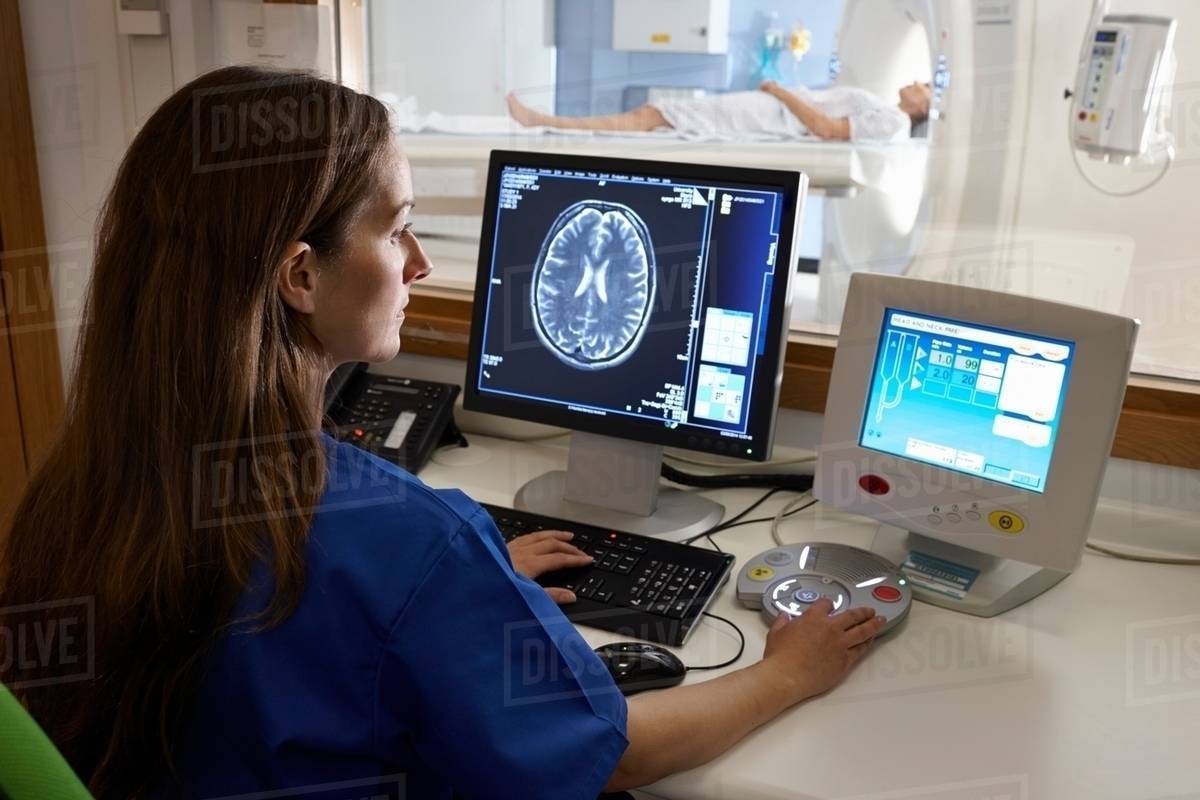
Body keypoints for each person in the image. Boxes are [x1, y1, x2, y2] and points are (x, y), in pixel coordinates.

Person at [0, 65, 885, 799]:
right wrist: (787, 673)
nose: (421, 264)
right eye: (398, 229)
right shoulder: (407, 542)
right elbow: (615, 754)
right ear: (301, 276)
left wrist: (462, 594)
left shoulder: (73, 493)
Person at [507, 80, 933, 143]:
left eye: (928, 87)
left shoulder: (894, 122)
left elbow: (825, 127)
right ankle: (544, 119)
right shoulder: (887, 107)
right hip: (764, 110)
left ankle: (542, 119)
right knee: (653, 116)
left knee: (652, 116)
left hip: (768, 116)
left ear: (923, 108)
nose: (920, 81)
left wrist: (779, 90)